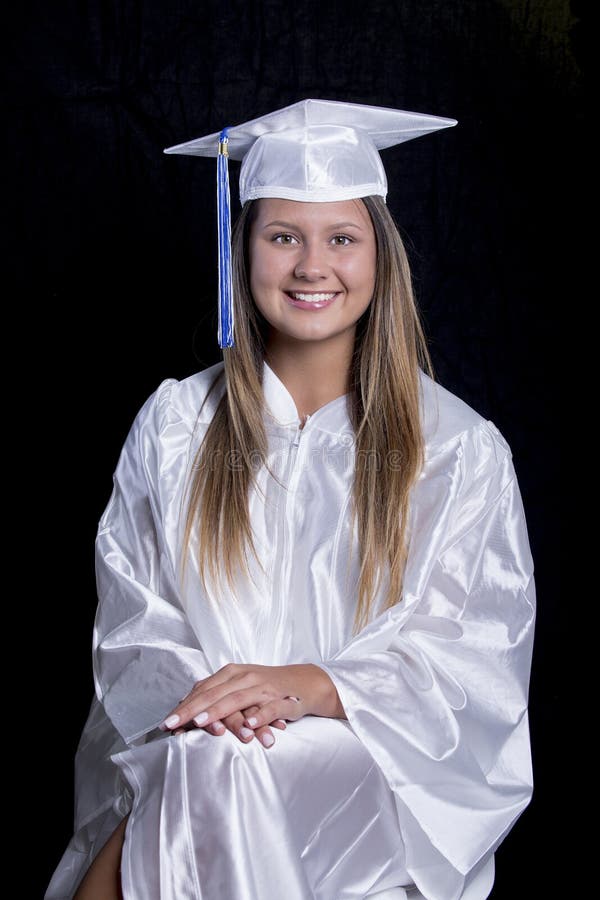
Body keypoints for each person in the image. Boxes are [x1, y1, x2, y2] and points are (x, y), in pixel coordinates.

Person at [45, 99, 536, 900]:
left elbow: (470, 660)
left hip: (375, 771)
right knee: (218, 763)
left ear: (381, 258)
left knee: (224, 770)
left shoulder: (456, 448)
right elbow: (137, 621)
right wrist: (224, 711)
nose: (312, 266)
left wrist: (308, 685)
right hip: (198, 749)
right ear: (243, 254)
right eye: (283, 237)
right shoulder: (177, 426)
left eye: (341, 238)